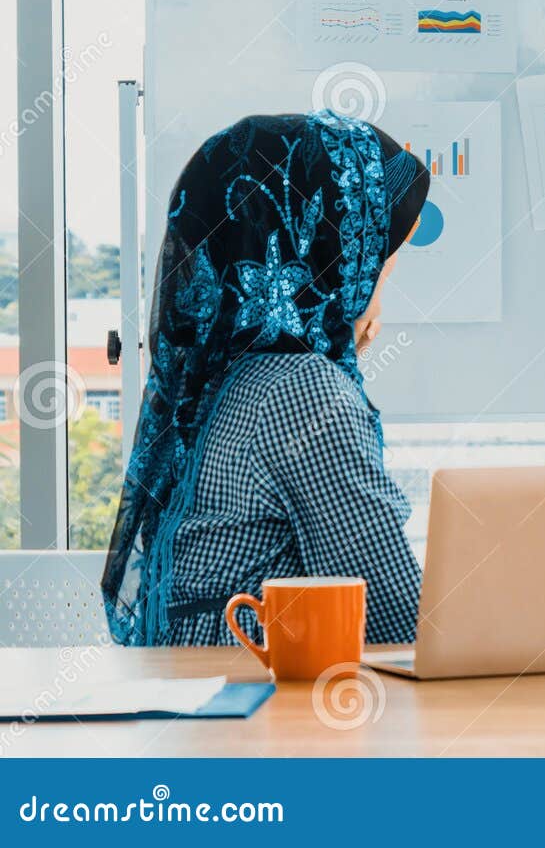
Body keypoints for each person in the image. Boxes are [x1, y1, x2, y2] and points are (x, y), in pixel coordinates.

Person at [102, 110, 430, 646]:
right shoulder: (303, 392)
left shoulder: (223, 380)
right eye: (380, 261)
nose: (382, 281)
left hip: (205, 715)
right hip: (252, 720)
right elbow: (396, 618)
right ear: (330, 257)